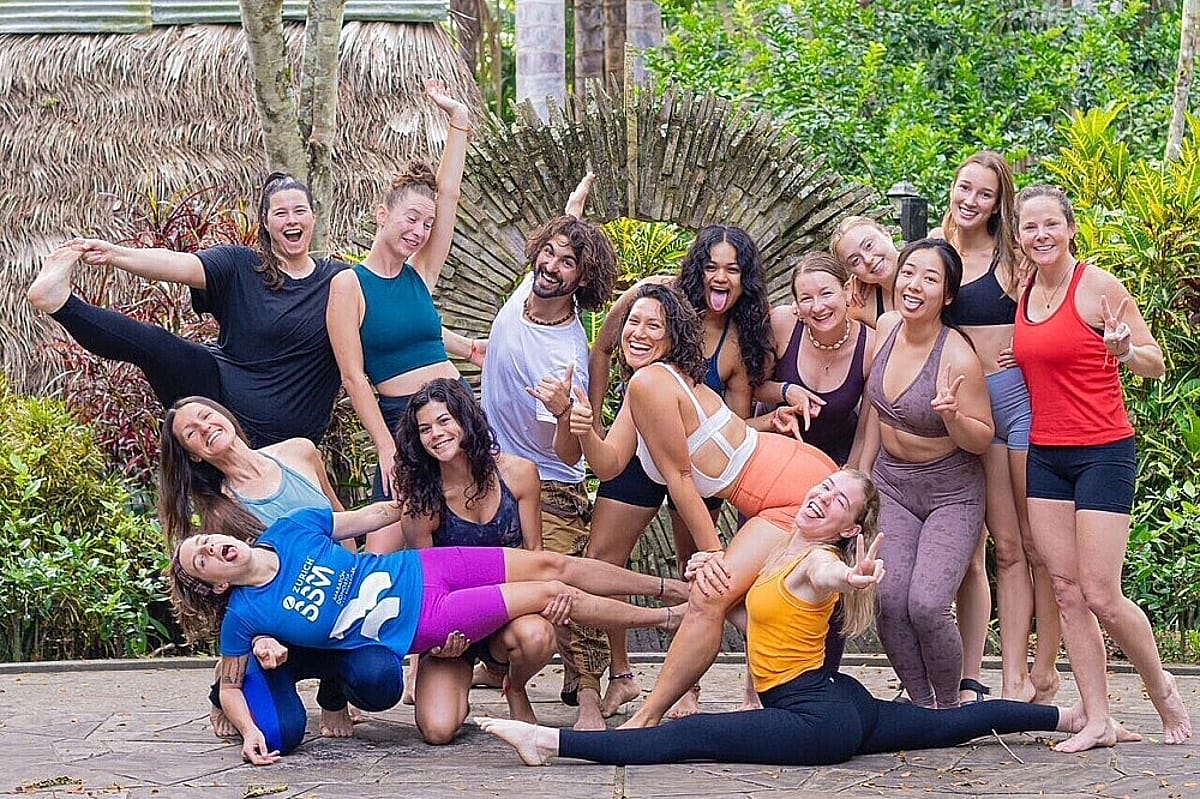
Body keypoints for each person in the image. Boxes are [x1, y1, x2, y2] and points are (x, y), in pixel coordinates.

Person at [477, 472, 1118, 767]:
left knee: (692, 741)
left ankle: (550, 744)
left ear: (848, 529)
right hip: (841, 700)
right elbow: (727, 607)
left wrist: (852, 575)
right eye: (825, 486)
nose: (822, 495)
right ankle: (1073, 717)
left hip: (818, 719)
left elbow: (826, 579)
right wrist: (704, 564)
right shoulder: (777, 541)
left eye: (839, 500)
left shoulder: (818, 561)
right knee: (948, 727)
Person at [169, 504, 688, 765]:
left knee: (554, 563)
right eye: (203, 560)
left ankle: (673, 591)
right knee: (548, 590)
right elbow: (232, 683)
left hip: (427, 565)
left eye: (207, 541)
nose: (213, 549)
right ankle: (672, 620)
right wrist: (250, 731)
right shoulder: (244, 614)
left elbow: (370, 516)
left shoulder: (289, 528)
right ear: (214, 585)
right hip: (428, 619)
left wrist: (408, 487)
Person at [565, 282, 853, 727]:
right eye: (632, 323)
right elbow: (608, 466)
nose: (637, 333)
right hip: (791, 479)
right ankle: (785, 686)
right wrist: (583, 426)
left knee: (708, 597)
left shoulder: (653, 381)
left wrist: (712, 552)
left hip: (792, 490)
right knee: (737, 599)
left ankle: (645, 718)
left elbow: (681, 479)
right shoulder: (644, 383)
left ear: (671, 337)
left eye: (652, 326)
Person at [1011, 184, 1191, 751]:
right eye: (1029, 227)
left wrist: (1121, 352)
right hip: (1046, 452)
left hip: (1103, 450)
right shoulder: (1025, 292)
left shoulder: (1098, 287)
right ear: (1018, 236)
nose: (1041, 235)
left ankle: (1162, 690)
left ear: (1069, 228)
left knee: (1100, 593)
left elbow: (1155, 364)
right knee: (1064, 589)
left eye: (1050, 225)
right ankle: (1097, 719)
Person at [585, 224, 773, 718]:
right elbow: (604, 346)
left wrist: (771, 419)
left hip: (692, 468)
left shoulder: (738, 343)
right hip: (639, 449)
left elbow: (728, 427)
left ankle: (687, 684)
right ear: (697, 268)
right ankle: (622, 675)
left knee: (701, 572)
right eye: (712, 265)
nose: (720, 276)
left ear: (745, 279)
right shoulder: (659, 297)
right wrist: (594, 410)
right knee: (604, 558)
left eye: (733, 269)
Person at [27, 171, 345, 447]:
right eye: (281, 213)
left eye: (299, 211)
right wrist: (114, 253)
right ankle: (60, 303)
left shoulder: (341, 281)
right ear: (265, 222)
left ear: (313, 216)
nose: (291, 220)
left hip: (287, 438)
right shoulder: (241, 265)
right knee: (153, 343)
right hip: (216, 401)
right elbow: (177, 264)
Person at [475, 175, 620, 730]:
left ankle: (587, 695)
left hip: (552, 486)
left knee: (563, 586)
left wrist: (564, 411)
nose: (552, 266)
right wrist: (574, 211)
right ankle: (490, 663)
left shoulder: (565, 354)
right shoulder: (525, 295)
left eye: (567, 264)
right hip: (491, 473)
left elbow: (565, 448)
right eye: (550, 253)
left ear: (580, 283)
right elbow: (565, 233)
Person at [159, 395, 383, 741]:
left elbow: (339, 519)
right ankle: (226, 683)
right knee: (282, 727)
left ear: (222, 414)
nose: (205, 428)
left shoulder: (300, 451)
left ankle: (333, 691)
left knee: (378, 679)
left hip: (334, 591)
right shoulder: (222, 511)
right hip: (283, 615)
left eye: (206, 417)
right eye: (191, 432)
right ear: (193, 454)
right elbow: (243, 589)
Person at [932, 151, 1061, 705]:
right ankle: (1007, 679)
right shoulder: (936, 255)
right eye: (966, 188)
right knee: (1002, 548)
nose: (972, 201)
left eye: (985, 194)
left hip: (1018, 402)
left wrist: (1026, 345)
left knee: (1039, 545)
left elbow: (1055, 304)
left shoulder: (1013, 260)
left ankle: (1045, 671)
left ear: (997, 203)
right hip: (968, 411)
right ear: (954, 188)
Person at [370, 378, 557, 743]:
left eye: (444, 421)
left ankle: (514, 687)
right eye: (425, 429)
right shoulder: (421, 500)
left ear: (466, 419)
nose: (435, 434)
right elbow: (422, 586)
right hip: (452, 624)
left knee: (536, 637)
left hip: (508, 611)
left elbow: (535, 554)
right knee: (438, 730)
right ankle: (454, 676)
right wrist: (434, 643)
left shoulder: (518, 474)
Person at [858, 238, 994, 709]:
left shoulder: (956, 355)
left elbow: (982, 438)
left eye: (930, 279)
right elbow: (875, 412)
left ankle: (949, 705)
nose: (914, 285)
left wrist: (954, 415)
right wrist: (860, 480)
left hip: (950, 491)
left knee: (928, 604)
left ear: (948, 296)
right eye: (910, 272)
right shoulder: (887, 325)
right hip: (892, 483)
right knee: (889, 599)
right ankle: (920, 706)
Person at [326, 83, 470, 503]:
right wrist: (385, 445)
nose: (419, 231)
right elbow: (353, 377)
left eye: (426, 225)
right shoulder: (349, 285)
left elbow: (450, 195)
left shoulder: (421, 273)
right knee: (391, 532)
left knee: (476, 518)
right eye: (411, 219)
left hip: (458, 410)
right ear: (382, 213)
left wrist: (457, 120)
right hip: (404, 421)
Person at [759, 250, 875, 467]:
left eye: (826, 293)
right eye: (806, 298)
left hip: (836, 456)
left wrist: (850, 471)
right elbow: (751, 387)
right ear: (796, 303)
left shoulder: (870, 346)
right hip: (774, 448)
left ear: (847, 289)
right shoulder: (783, 324)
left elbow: (866, 429)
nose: (818, 307)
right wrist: (785, 390)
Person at [829, 216, 901, 329]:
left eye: (869, 245)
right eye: (855, 261)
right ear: (851, 272)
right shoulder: (860, 302)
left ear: (886, 235)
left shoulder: (932, 264)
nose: (868, 259)